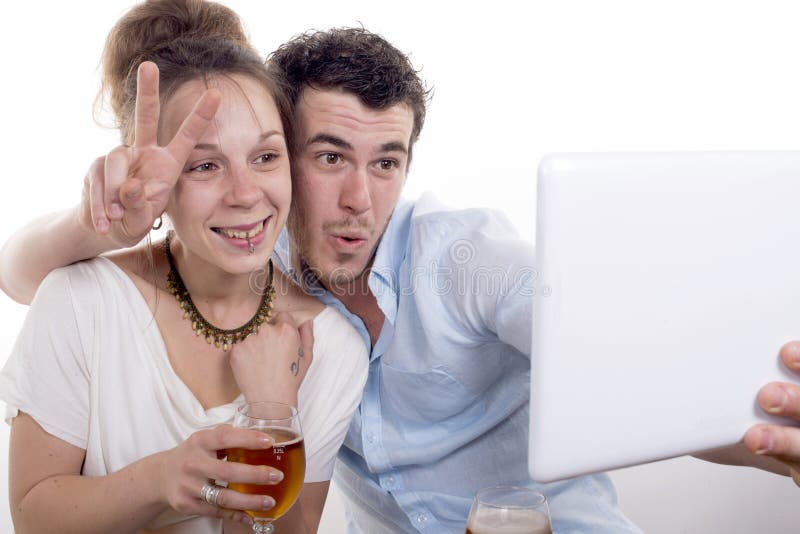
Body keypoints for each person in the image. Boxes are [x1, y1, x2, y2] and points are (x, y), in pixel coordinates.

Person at [2, 14, 800, 534]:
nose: (360, 200)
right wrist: (101, 221)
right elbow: (31, 279)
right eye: (329, 158)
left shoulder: (470, 261)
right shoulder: (248, 246)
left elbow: (627, 372)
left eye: (387, 162)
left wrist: (769, 437)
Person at [0, 1, 367, 533]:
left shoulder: (329, 347)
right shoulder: (81, 300)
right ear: (157, 183)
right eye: (204, 165)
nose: (246, 194)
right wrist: (161, 481)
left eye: (265, 157)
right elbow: (32, 518)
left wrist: (272, 411)